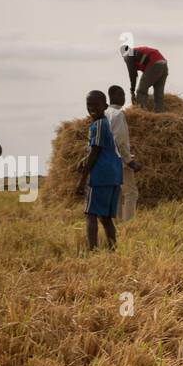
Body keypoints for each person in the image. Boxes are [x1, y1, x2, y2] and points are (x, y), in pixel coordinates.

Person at [76, 90, 124, 251]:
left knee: (91, 215)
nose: (91, 108)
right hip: (115, 175)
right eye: (88, 105)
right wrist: (85, 159)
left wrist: (82, 180)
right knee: (105, 217)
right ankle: (112, 250)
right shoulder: (106, 125)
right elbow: (103, 149)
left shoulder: (97, 125)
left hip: (101, 176)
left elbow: (95, 152)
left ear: (105, 105)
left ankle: (93, 251)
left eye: (96, 105)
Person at [105, 85, 142, 221]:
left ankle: (118, 223)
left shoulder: (105, 114)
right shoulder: (118, 114)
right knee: (131, 193)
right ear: (113, 96)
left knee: (117, 193)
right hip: (119, 160)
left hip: (107, 159)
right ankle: (129, 223)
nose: (124, 98)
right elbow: (119, 140)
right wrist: (129, 161)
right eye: (121, 95)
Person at [121, 44, 168, 112]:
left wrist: (132, 90)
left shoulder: (128, 55)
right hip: (163, 64)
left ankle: (142, 113)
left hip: (154, 63)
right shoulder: (135, 51)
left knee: (141, 91)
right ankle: (160, 113)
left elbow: (133, 74)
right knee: (158, 93)